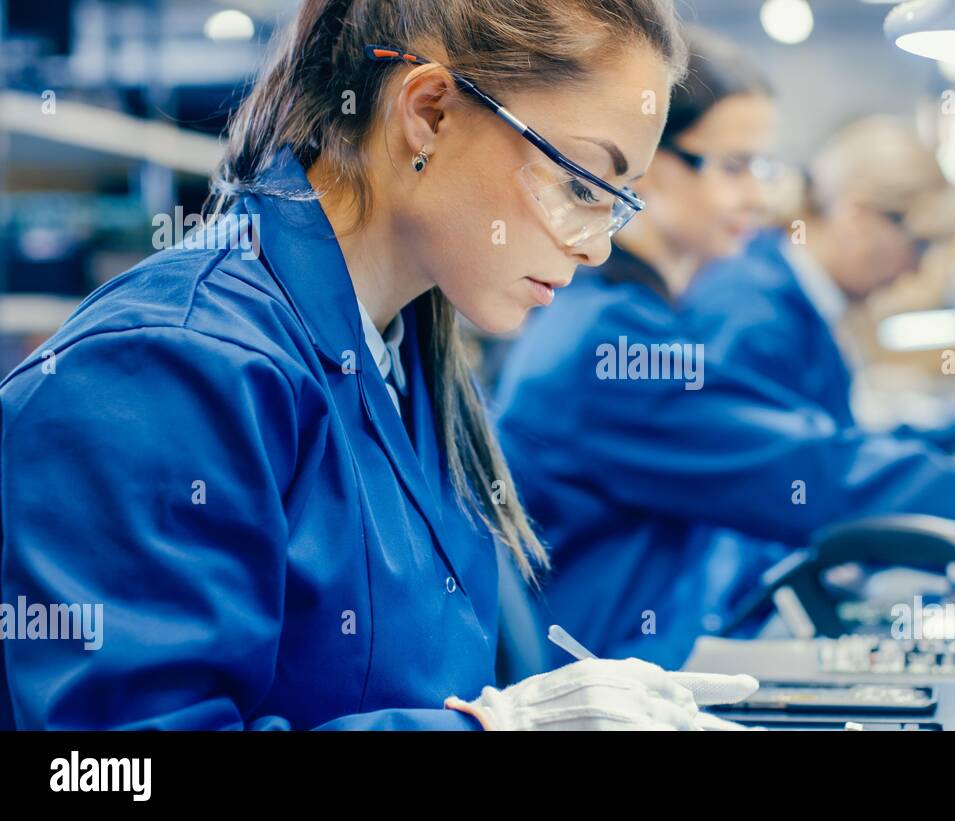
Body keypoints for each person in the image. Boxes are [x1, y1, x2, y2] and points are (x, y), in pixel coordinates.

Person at [0, 0, 758, 731]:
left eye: (620, 203)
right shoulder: (166, 368)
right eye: (583, 184)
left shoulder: (407, 358)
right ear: (428, 111)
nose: (598, 246)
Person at [494, 33, 955, 669]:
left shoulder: (629, 323)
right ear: (647, 161)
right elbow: (811, 472)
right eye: (734, 168)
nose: (762, 198)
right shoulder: (609, 349)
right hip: (603, 673)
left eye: (762, 168)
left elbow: (809, 456)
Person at [685, 117, 955, 451]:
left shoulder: (800, 303)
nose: (916, 269)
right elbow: (782, 469)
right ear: (857, 219)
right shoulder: (752, 314)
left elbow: (830, 445)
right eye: (917, 244)